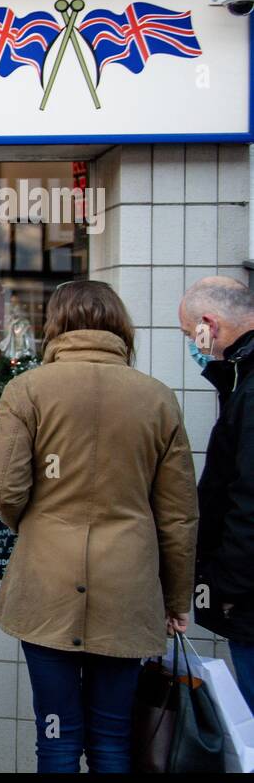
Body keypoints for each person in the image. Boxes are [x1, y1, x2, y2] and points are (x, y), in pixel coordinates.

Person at [0, 280, 197, 772]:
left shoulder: (29, 388)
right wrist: (176, 598)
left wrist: (39, 525)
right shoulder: (157, 397)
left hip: (47, 584)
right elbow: (179, 514)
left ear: (56, 323)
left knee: (56, 734)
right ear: (119, 325)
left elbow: (2, 487)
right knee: (113, 738)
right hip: (128, 585)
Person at [180, 276, 254, 711]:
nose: (195, 345)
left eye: (192, 335)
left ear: (209, 324)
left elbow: (247, 498)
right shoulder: (241, 378)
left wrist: (227, 586)